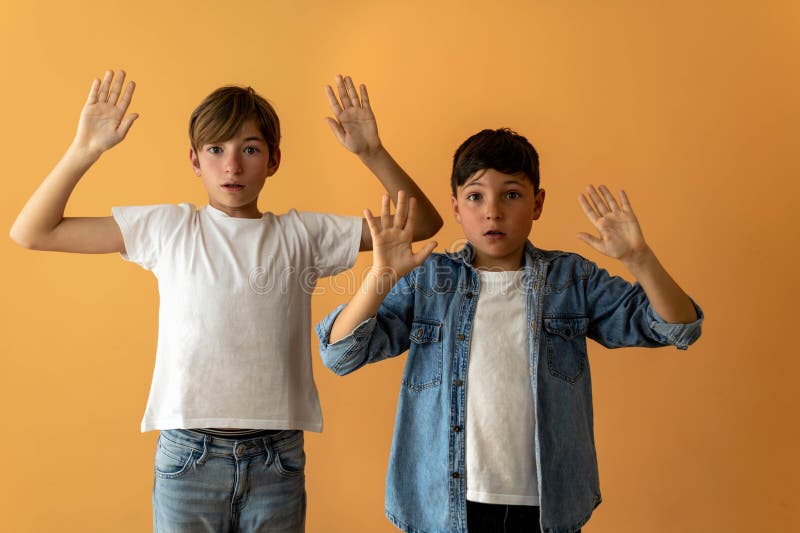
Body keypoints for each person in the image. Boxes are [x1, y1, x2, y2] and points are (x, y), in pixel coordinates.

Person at [10, 70, 442, 532]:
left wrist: (372, 152)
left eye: (249, 149)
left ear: (274, 160)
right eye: (216, 150)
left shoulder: (303, 235)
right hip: (188, 458)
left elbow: (422, 224)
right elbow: (33, 232)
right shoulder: (168, 229)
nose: (232, 166)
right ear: (195, 161)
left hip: (277, 459)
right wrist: (84, 150)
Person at [316, 128, 703, 533]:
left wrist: (640, 260)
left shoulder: (571, 280)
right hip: (443, 505)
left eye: (512, 194)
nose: (493, 212)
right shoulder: (430, 280)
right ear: (455, 207)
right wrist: (380, 276)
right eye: (475, 196)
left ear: (538, 203)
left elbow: (678, 327)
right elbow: (339, 354)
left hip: (545, 507)